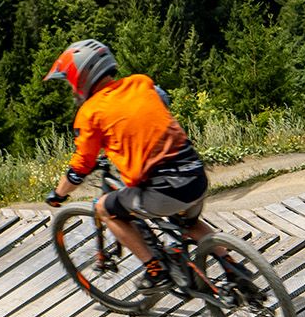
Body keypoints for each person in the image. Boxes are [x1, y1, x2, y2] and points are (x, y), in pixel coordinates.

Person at [42, 39, 208, 296]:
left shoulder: (91, 112)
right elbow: (160, 102)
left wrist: (58, 195)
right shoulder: (141, 82)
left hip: (164, 192)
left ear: (81, 77)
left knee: (104, 208)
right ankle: (234, 267)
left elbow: (81, 166)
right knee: (189, 223)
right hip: (196, 176)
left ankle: (155, 271)